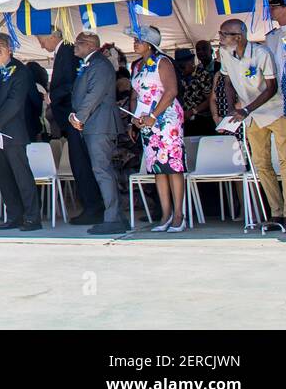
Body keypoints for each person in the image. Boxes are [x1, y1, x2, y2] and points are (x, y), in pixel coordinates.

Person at [219, 17, 285, 222]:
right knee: (261, 164)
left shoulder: (261, 53)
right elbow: (227, 82)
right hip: (252, 116)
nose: (219, 38)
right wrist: (231, 109)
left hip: (275, 111)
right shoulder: (224, 53)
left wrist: (246, 109)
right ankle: (277, 212)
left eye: (223, 34)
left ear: (238, 37)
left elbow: (272, 88)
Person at [38, 31, 101, 223]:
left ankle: (92, 208)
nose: (41, 46)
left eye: (41, 40)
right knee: (78, 164)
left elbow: (71, 84)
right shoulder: (63, 52)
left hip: (75, 117)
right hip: (72, 118)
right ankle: (91, 207)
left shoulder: (66, 51)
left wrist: (53, 96)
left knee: (81, 164)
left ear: (51, 35)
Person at [0, 33, 41, 230]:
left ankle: (32, 217)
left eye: (0, 45)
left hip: (12, 133)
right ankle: (14, 215)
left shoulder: (20, 72)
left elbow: (15, 103)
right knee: (4, 178)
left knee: (22, 177)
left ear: (10, 49)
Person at [127, 24, 186, 232]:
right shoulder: (136, 66)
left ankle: (179, 215)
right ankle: (165, 214)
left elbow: (171, 91)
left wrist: (153, 115)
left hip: (166, 119)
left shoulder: (162, 62)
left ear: (150, 44)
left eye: (139, 40)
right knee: (157, 168)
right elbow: (134, 95)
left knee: (173, 166)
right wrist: (134, 118)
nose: (135, 43)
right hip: (145, 121)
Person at [67, 32, 126, 234]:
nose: (75, 46)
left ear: (91, 45)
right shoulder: (90, 64)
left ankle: (112, 219)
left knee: (102, 171)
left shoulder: (99, 64)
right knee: (102, 170)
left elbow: (95, 94)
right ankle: (116, 216)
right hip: (94, 125)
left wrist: (78, 117)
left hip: (100, 125)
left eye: (79, 43)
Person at [261, 0, 286, 222]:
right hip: (278, 101)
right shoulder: (270, 37)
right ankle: (280, 212)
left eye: (274, 7)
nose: (270, 10)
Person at [175, 49, 216, 136]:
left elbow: (210, 99)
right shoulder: (177, 77)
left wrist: (194, 111)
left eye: (183, 67)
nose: (181, 70)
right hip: (184, 120)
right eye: (179, 67)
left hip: (202, 119)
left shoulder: (203, 75)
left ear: (191, 62)